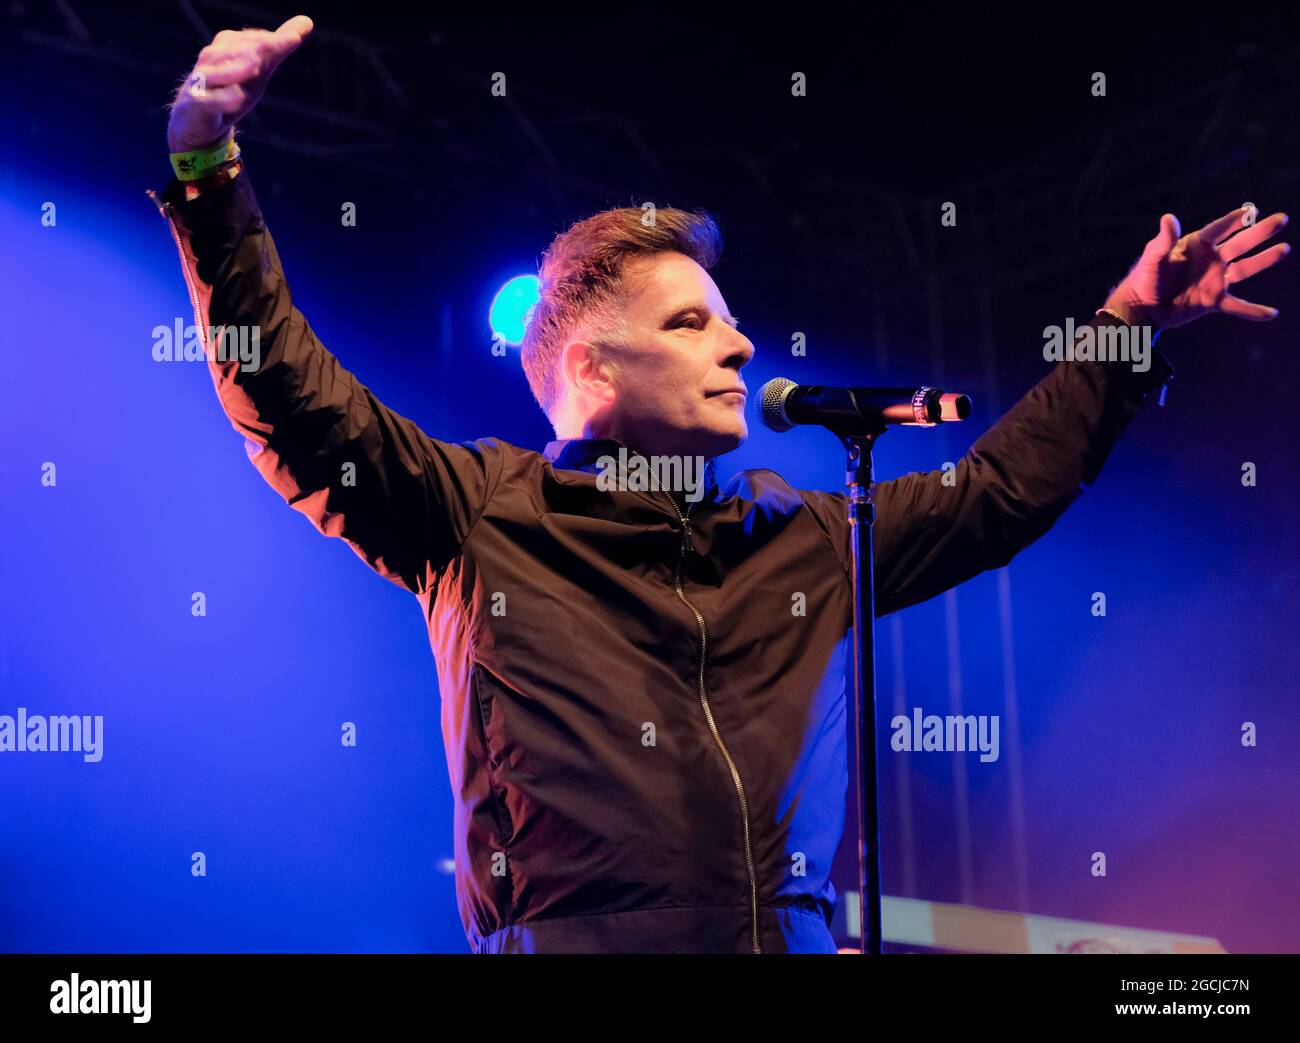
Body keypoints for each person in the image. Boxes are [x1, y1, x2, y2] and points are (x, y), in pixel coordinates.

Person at [155, 16, 1289, 954]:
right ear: (591, 368)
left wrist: (1127, 328)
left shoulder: (803, 534)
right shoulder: (478, 515)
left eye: (731, 320)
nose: (740, 346)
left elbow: (1000, 490)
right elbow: (292, 403)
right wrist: (208, 172)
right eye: (690, 323)